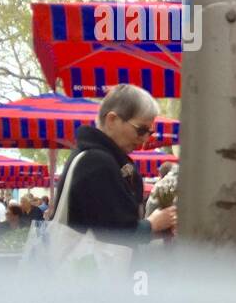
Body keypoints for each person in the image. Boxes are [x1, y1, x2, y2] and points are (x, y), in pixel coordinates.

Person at [51, 84, 176, 244]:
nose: (145, 139)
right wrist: (152, 224)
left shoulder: (90, 156)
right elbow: (116, 235)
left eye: (149, 133)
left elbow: (102, 224)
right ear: (112, 120)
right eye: (141, 130)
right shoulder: (97, 162)